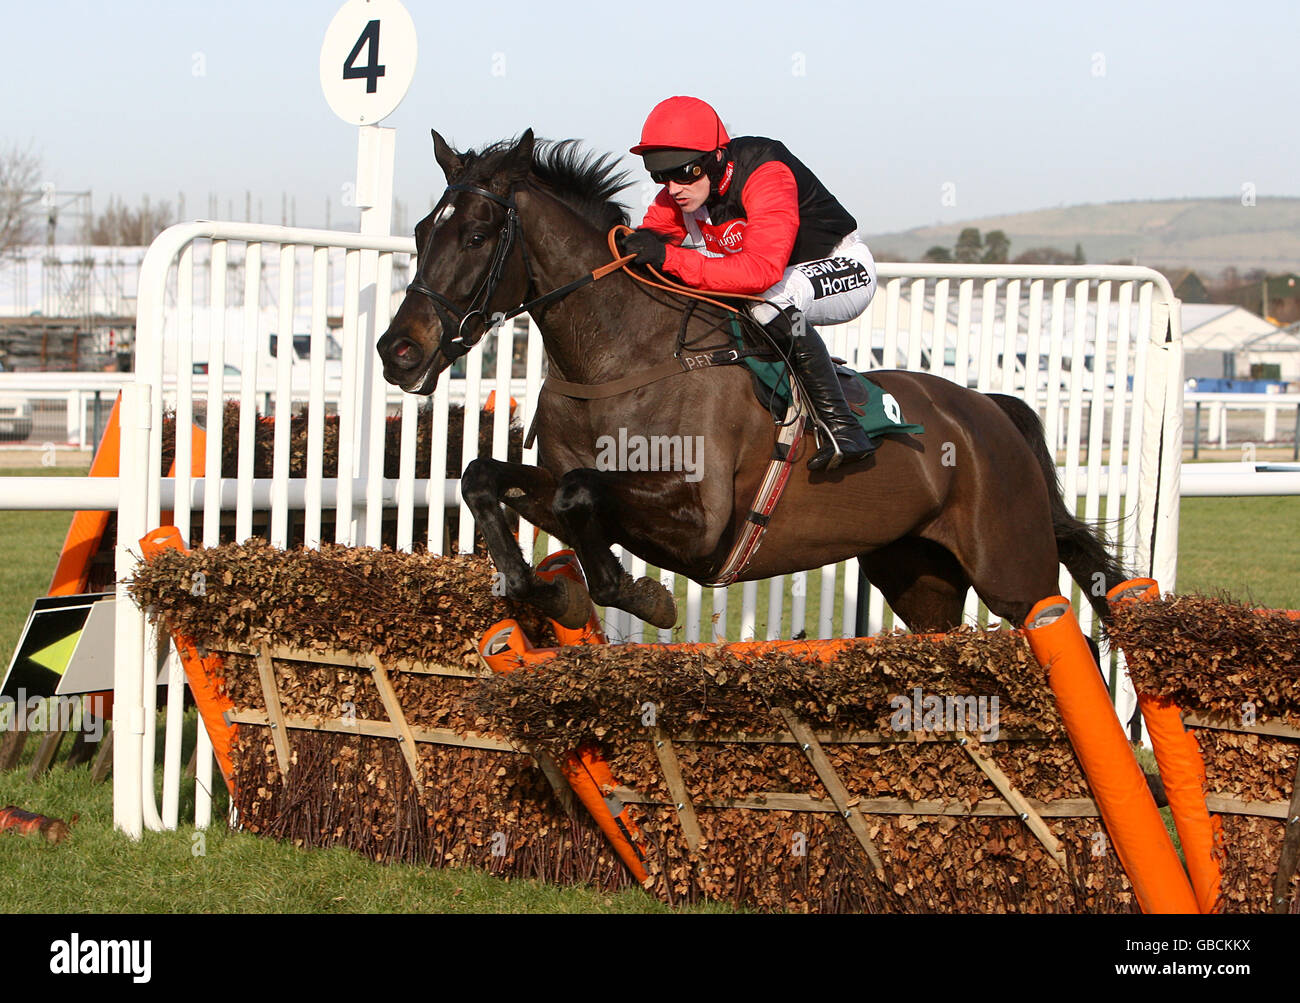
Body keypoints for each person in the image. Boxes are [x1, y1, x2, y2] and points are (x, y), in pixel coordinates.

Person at [619, 95, 879, 471]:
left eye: (684, 172)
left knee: (766, 298)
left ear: (715, 158)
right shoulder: (681, 193)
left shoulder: (767, 172)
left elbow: (760, 272)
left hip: (841, 267)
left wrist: (670, 257)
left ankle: (843, 428)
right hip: (777, 280)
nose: (673, 188)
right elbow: (648, 244)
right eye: (661, 176)